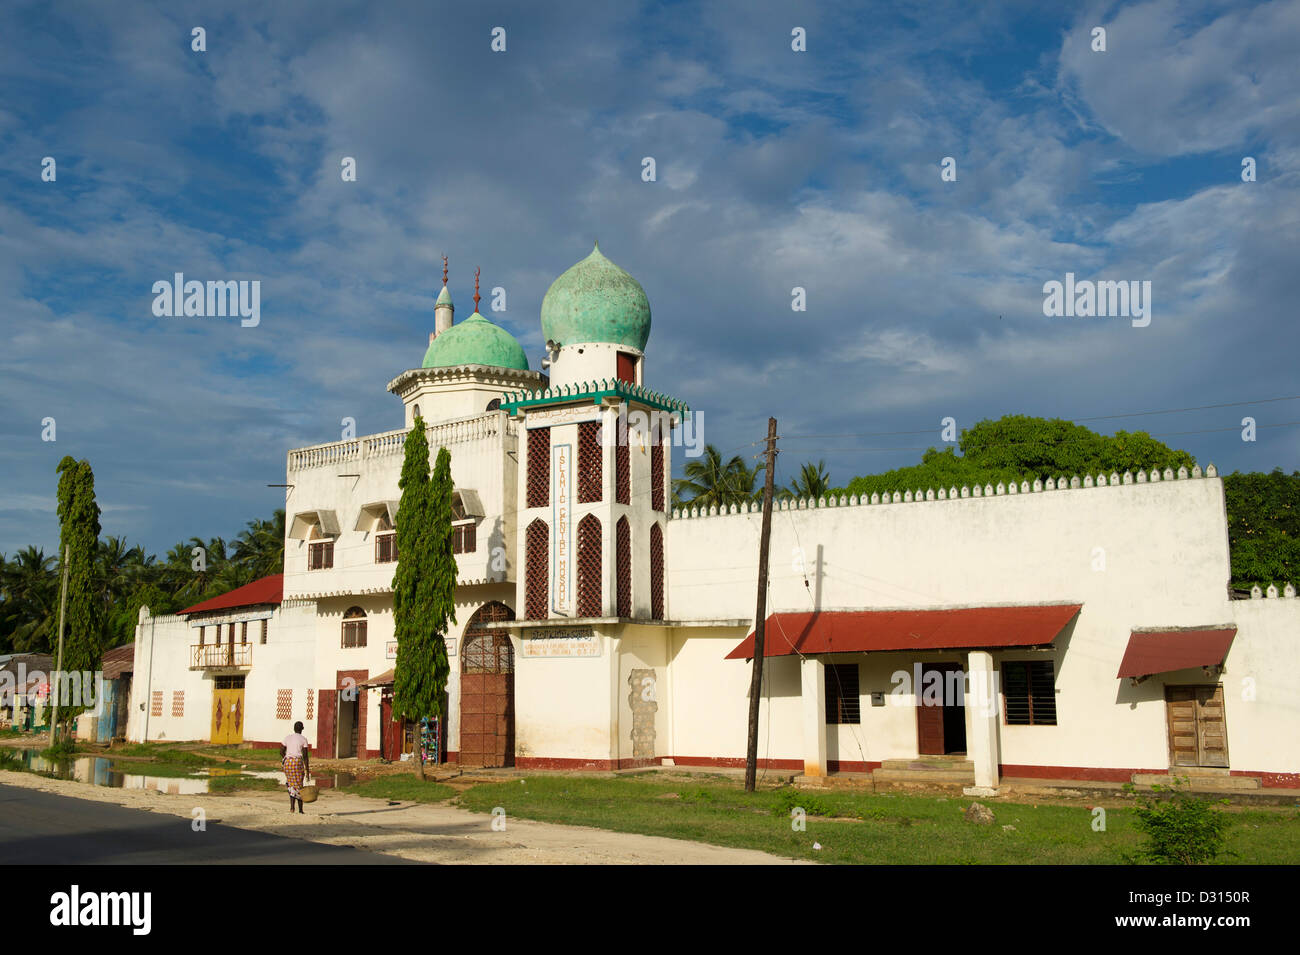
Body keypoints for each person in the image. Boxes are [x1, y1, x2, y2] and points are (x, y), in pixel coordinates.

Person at [279, 721, 311, 814]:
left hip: (288, 763)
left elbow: (281, 751)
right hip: (297, 762)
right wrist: (307, 770)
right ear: (302, 729)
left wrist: (286, 757)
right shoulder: (303, 739)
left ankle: (292, 808)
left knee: (291, 785)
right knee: (299, 786)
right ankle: (300, 810)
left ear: (294, 728)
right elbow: (305, 756)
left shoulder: (287, 738)